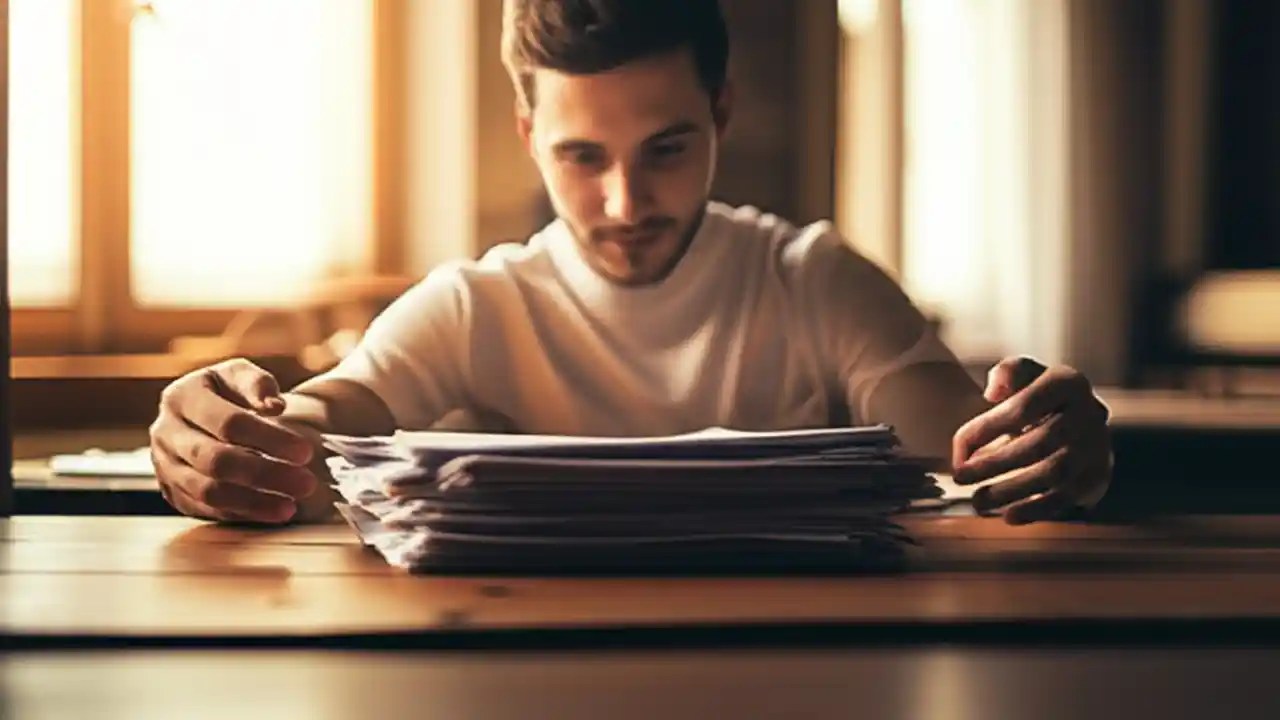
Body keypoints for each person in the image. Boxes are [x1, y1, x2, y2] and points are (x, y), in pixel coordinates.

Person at [148, 0, 1112, 527]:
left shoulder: (813, 279)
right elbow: (330, 410)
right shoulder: (478, 306)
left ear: (721, 115)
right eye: (581, 155)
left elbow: (969, 453)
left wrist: (1048, 452)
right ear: (531, 135)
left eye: (666, 148)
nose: (624, 203)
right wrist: (229, 433)